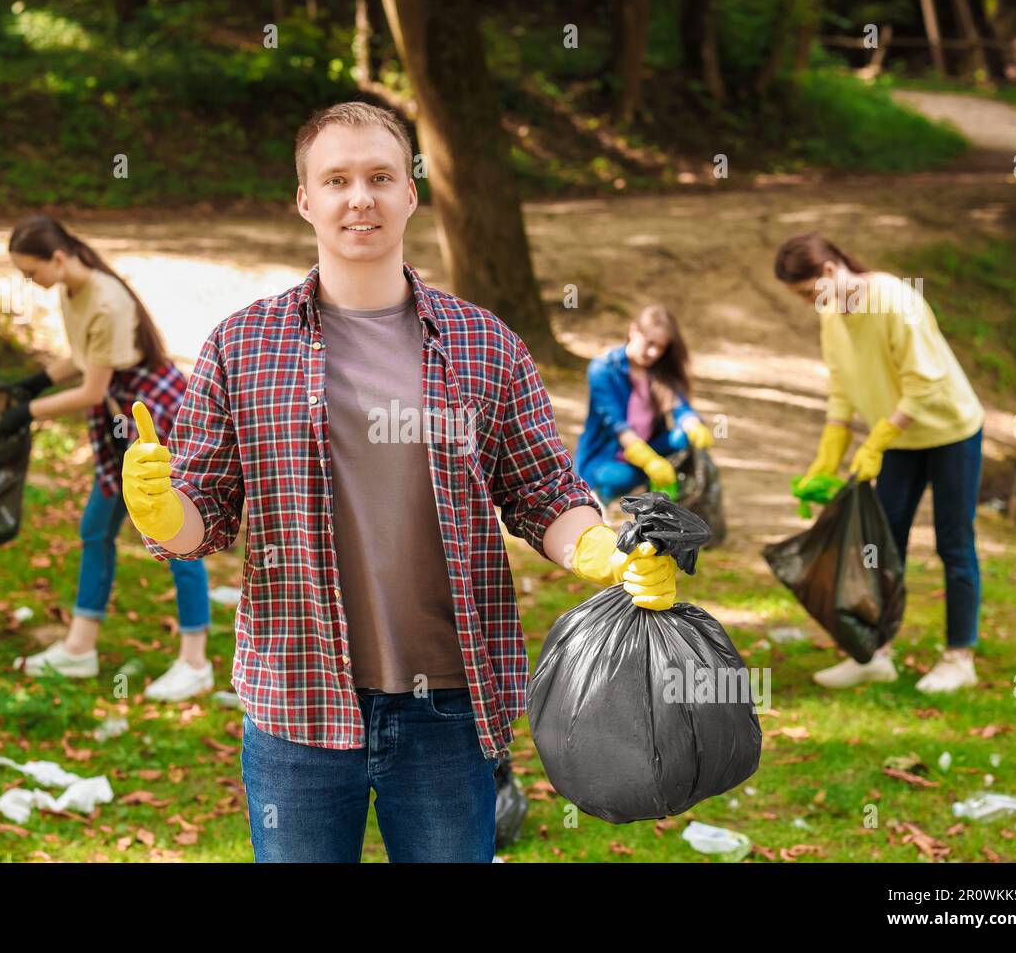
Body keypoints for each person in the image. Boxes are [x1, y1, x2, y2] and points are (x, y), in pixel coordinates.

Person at [120, 101, 678, 862]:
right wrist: (159, 508)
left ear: (411, 193)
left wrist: (603, 552)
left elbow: (543, 490)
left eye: (381, 176)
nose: (361, 197)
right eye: (338, 179)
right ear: (305, 200)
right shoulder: (242, 345)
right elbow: (203, 520)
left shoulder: (485, 342)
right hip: (296, 699)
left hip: (449, 703)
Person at [0, 216, 214, 702]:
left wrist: (25, 413)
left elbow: (92, 388)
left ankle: (195, 661)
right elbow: (83, 356)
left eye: (32, 273)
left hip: (153, 420)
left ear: (58, 258)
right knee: (96, 529)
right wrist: (36, 381)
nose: (32, 284)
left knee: (176, 534)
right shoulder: (73, 292)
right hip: (121, 425)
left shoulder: (107, 299)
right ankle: (80, 647)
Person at [777, 232, 985, 693]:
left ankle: (959, 658)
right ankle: (876, 653)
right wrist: (830, 452)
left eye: (810, 292)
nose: (811, 304)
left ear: (830, 272)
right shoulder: (833, 317)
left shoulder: (895, 301)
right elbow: (841, 387)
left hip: (949, 431)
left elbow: (925, 383)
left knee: (955, 543)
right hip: (896, 440)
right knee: (882, 545)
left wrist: (878, 440)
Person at [575, 304, 715, 517]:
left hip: (652, 447)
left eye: (660, 347)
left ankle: (667, 501)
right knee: (619, 478)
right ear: (633, 331)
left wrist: (693, 424)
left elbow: (681, 408)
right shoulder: (603, 369)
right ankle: (596, 499)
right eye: (649, 343)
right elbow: (616, 425)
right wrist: (648, 460)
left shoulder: (660, 373)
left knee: (683, 436)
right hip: (609, 457)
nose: (653, 353)